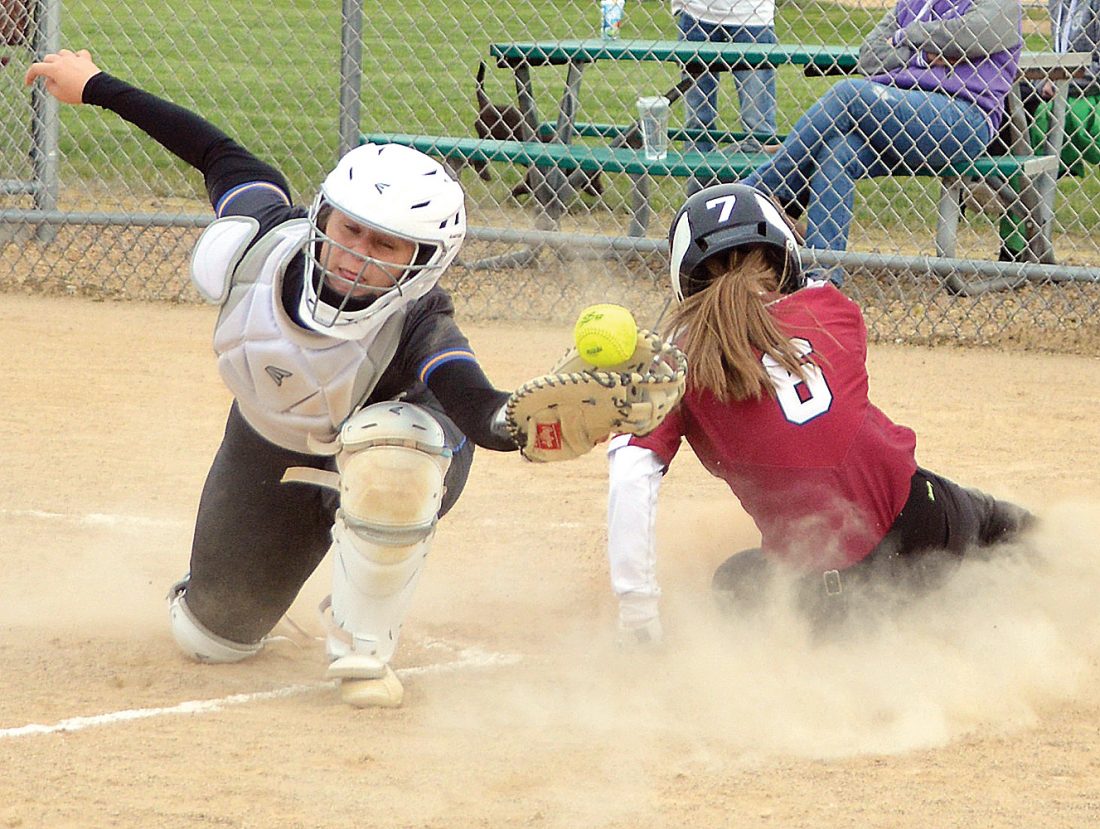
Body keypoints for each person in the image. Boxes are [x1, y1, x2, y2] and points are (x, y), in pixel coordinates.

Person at [25, 49, 523, 708]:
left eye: (385, 246)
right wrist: (95, 86)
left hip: (394, 458)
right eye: (350, 229)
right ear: (323, 216)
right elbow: (210, 148)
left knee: (395, 447)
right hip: (271, 440)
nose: (355, 254)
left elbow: (472, 400)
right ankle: (260, 573)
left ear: (424, 261)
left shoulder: (418, 320)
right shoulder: (261, 239)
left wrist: (522, 421)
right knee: (212, 637)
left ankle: (363, 648)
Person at [606, 182, 1033, 645]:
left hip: (819, 590)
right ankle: (1046, 567)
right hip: (924, 529)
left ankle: (856, 639)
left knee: (735, 581)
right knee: (1001, 526)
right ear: (784, 258)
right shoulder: (832, 308)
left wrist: (637, 617)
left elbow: (630, 476)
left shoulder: (672, 370)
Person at [742, 0, 1023, 285]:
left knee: (849, 93)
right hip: (895, 115)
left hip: (962, 119)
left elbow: (968, 36)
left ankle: (756, 191)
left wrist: (905, 37)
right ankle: (821, 278)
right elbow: (869, 56)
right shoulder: (912, 3)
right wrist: (924, 55)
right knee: (837, 151)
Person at [996, 0, 1099, 261]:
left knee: (1046, 116)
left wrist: (1064, 81)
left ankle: (1021, 241)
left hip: (1090, 93)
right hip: (1064, 87)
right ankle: (988, 185)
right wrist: (1048, 80)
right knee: (1007, 100)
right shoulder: (1059, 3)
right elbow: (1058, 59)